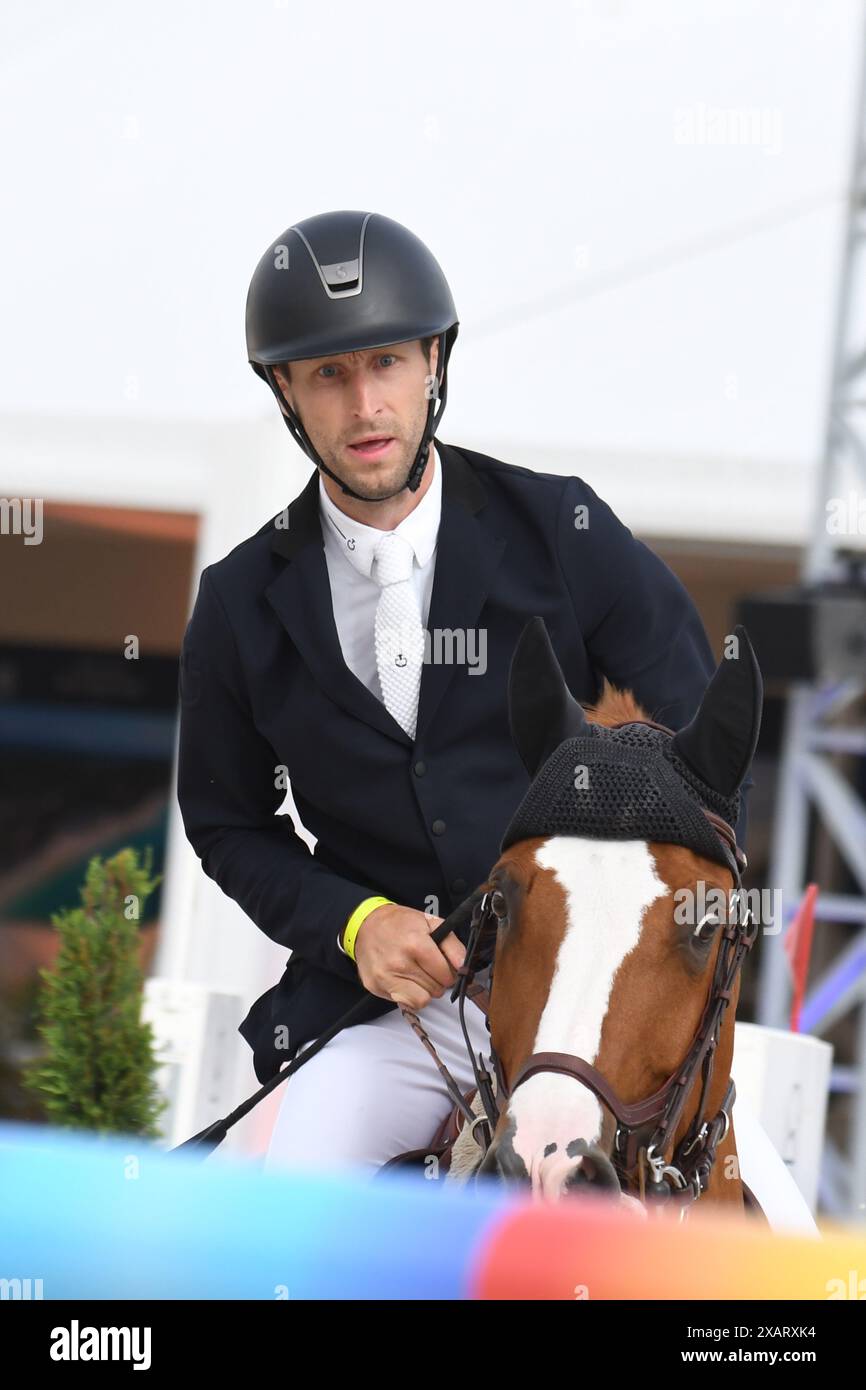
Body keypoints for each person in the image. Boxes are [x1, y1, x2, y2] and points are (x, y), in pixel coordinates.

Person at [176, 209, 751, 1179]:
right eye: (328, 373)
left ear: (434, 359)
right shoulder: (238, 602)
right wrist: (357, 925)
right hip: (388, 1016)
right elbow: (227, 823)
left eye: (387, 363)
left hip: (590, 997)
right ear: (284, 388)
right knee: (276, 1198)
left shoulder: (562, 528)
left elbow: (699, 754)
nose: (365, 406)